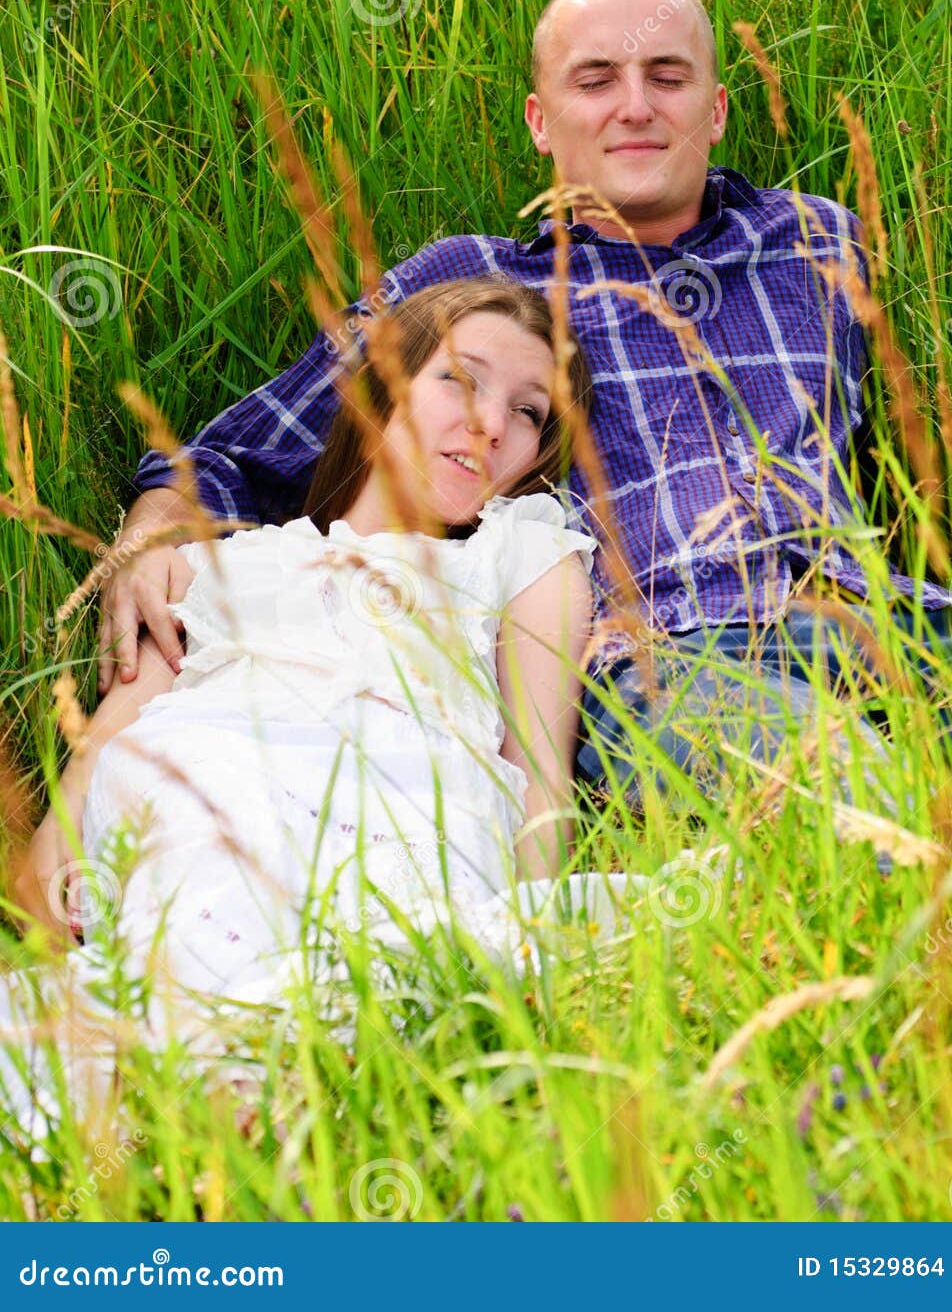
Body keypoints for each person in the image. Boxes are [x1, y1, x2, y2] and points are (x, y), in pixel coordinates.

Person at [73, 0, 952, 802]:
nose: (634, 105)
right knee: (855, 800)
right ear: (540, 120)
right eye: (595, 80)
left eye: (667, 76)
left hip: (873, 612)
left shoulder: (816, 239)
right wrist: (152, 538)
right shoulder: (470, 292)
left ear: (716, 107)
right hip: (656, 651)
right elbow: (244, 449)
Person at [5, 279, 641, 1146]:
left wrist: (527, 930)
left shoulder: (520, 551)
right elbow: (105, 749)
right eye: (460, 378)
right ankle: (224, 1087)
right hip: (203, 781)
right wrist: (45, 899)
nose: (491, 422)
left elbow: (538, 775)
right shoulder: (216, 562)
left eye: (529, 412)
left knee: (381, 918)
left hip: (401, 793)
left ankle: (233, 1097)